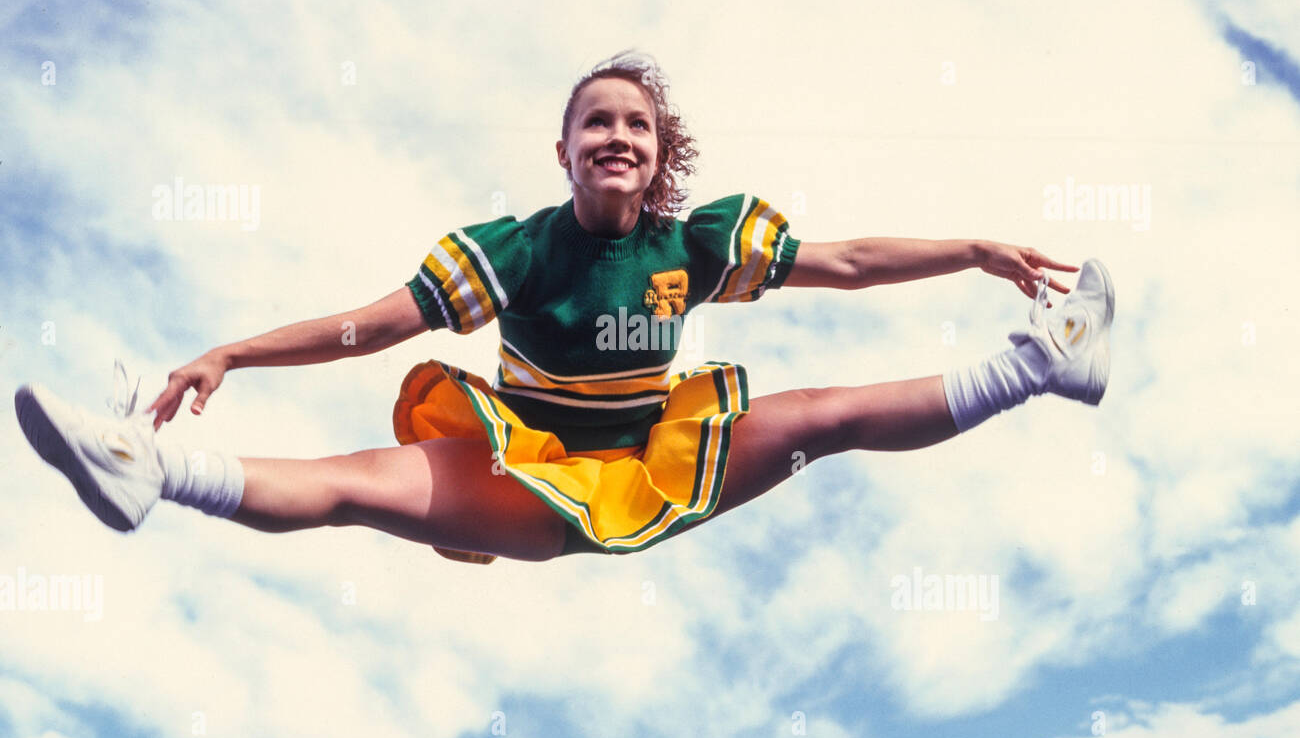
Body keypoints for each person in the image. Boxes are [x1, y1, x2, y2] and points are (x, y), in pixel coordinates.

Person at [14, 50, 1114, 565]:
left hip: (662, 453)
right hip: (524, 469)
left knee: (821, 415)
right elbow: (374, 324)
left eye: (634, 124)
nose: (616, 137)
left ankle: (1043, 365)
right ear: (564, 151)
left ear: (657, 152)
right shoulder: (518, 251)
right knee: (357, 483)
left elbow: (849, 260)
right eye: (595, 123)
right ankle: (151, 472)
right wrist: (232, 354)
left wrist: (971, 246)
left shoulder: (692, 245)